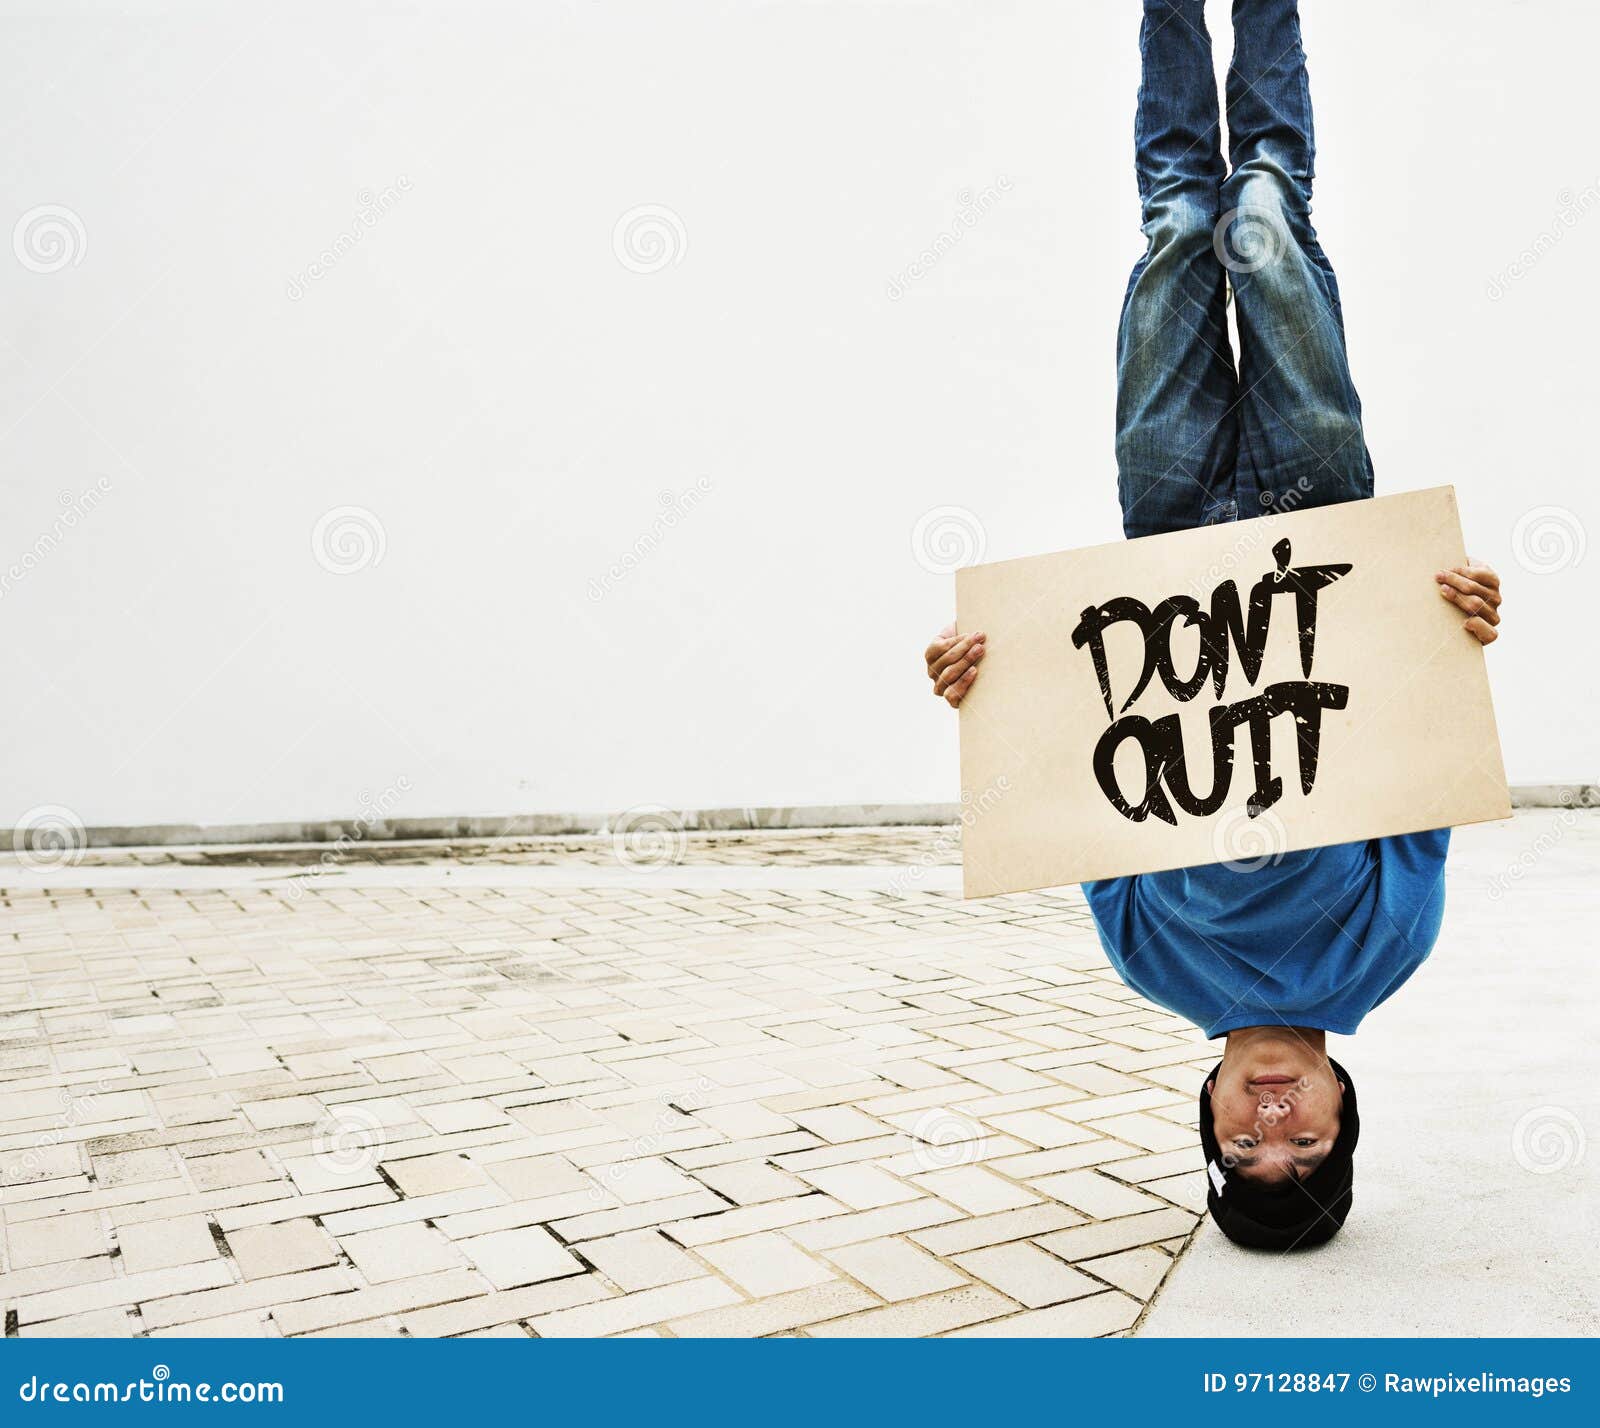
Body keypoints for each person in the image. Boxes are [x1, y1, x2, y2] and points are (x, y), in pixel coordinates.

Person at [922, 0, 1504, 1251]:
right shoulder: (1386, 950)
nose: (1273, 1123)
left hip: (1171, 530)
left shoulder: (1154, 965)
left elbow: (1072, 770)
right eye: (1305, 1143)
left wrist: (985, 682)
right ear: (1349, 1109)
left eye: (1243, 1147)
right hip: (1317, 513)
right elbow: (1420, 726)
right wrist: (1458, 617)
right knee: (1261, 222)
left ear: (1208, 1112)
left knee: (1183, 224)